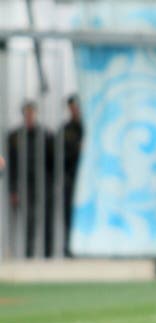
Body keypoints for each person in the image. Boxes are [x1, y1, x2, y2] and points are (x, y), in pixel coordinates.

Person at [6, 100, 55, 258]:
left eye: (31, 113)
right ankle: (28, 254)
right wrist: (13, 189)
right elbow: (11, 166)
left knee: (47, 217)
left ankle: (48, 254)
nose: (29, 116)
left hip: (44, 182)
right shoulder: (14, 137)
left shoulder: (45, 135)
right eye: (26, 113)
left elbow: (52, 162)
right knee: (29, 219)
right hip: (25, 184)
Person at [61, 94, 83, 257]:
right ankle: (70, 250)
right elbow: (59, 157)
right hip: (71, 177)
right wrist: (78, 150)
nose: (75, 110)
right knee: (69, 214)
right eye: (73, 107)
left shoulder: (89, 127)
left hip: (90, 181)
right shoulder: (65, 130)